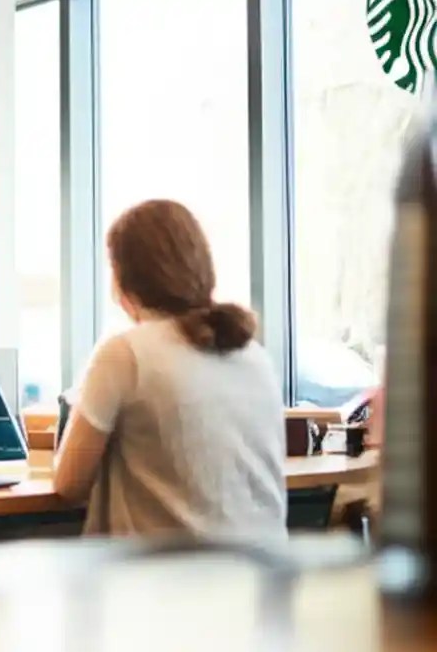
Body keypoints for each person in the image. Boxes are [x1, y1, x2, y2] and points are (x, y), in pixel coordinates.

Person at [53, 199, 287, 538]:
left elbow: (68, 484)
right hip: (262, 580)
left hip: (167, 582)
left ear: (123, 281)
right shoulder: (254, 356)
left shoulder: (127, 353)